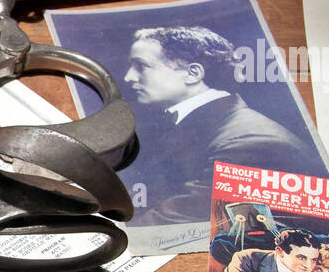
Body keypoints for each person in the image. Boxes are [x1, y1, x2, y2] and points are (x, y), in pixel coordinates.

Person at [124, 26, 316, 223]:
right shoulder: (194, 125)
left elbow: (170, 222)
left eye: (141, 66)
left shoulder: (250, 142)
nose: (128, 77)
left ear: (192, 74)